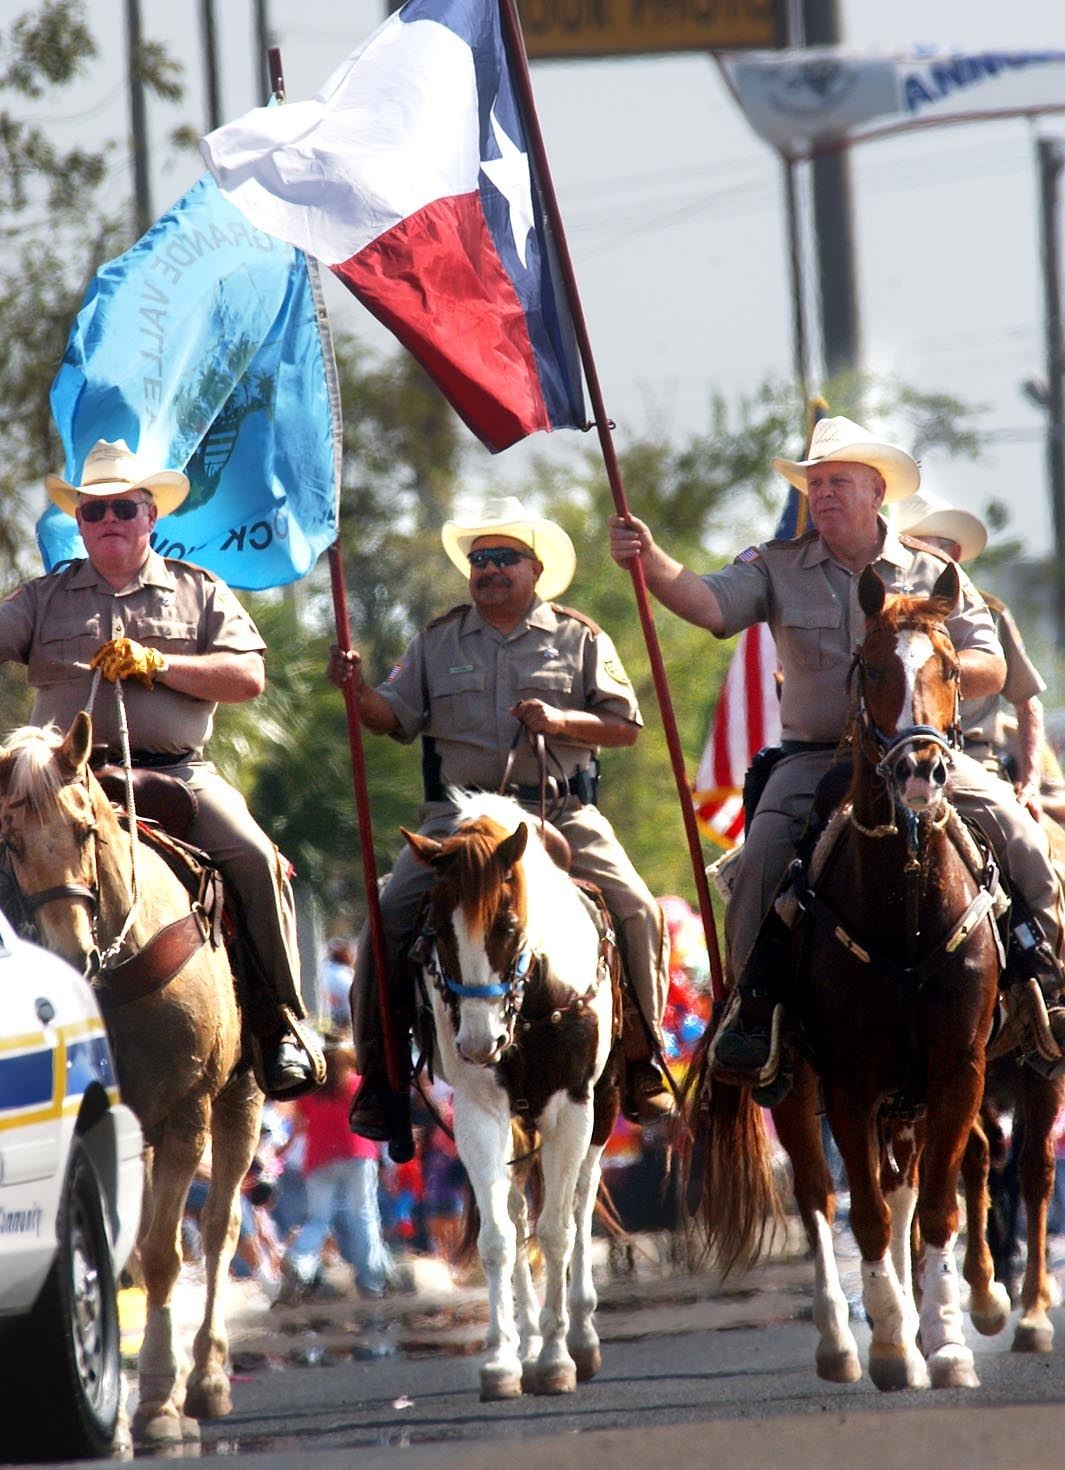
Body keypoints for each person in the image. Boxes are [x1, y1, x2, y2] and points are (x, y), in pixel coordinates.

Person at [609, 415, 1065, 1093]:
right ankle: (752, 1011)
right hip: (814, 759)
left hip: (923, 754)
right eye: (814, 483)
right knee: (761, 855)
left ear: (874, 491)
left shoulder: (931, 569)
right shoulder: (776, 565)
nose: (821, 495)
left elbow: (991, 666)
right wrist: (649, 562)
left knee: (1021, 836)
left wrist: (927, 665)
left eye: (836, 483)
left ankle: (1049, 986)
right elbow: (706, 603)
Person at [329, 496, 671, 1151]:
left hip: (560, 810)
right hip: (461, 821)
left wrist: (562, 721)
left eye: (502, 559)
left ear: (535, 568)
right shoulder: (435, 639)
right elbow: (392, 720)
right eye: (478, 560)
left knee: (635, 908)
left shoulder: (578, 637)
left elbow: (625, 725)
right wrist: (358, 691)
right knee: (387, 918)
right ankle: (382, 1077)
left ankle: (640, 1058)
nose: (487, 570)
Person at [0, 438, 318, 1099]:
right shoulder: (41, 598)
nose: (108, 521)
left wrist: (158, 662)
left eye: (123, 508)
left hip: (177, 776)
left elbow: (246, 676)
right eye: (93, 512)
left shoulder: (198, 591)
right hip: (59, 782)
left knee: (255, 858)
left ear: (151, 516)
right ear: (79, 523)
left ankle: (277, 1023)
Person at [896, 490, 1050, 819]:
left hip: (973, 760)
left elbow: (1027, 701)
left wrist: (1030, 781)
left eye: (925, 547)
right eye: (907, 549)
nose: (916, 560)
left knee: (1025, 845)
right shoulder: (891, 618)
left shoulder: (991, 614)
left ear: (954, 553)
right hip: (897, 758)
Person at [280, 1035, 395, 1302]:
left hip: (319, 1159)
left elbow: (298, 1127)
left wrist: (282, 1150)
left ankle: (299, 1262)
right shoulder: (358, 1084)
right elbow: (378, 1120)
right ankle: (372, 1281)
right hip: (358, 1154)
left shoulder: (308, 1092)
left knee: (319, 1218)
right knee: (363, 1216)